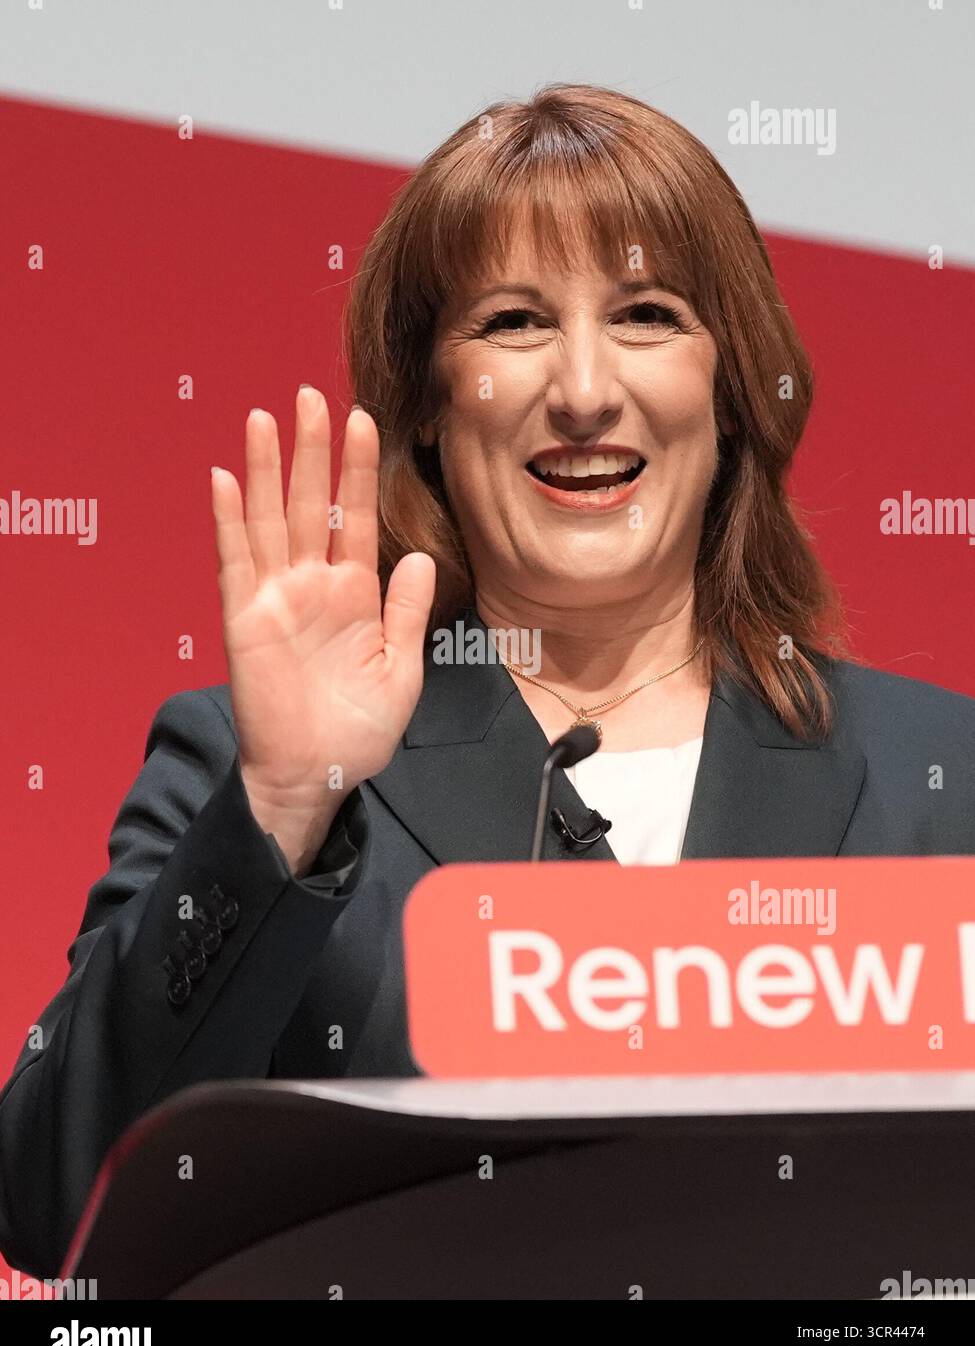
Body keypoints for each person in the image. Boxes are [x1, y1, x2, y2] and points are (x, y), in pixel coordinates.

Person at [2, 83, 973, 1279]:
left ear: (729, 393)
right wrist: (285, 807)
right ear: (423, 409)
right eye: (512, 322)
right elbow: (55, 1194)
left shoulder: (939, 781)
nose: (581, 389)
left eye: (647, 315)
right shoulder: (251, 771)